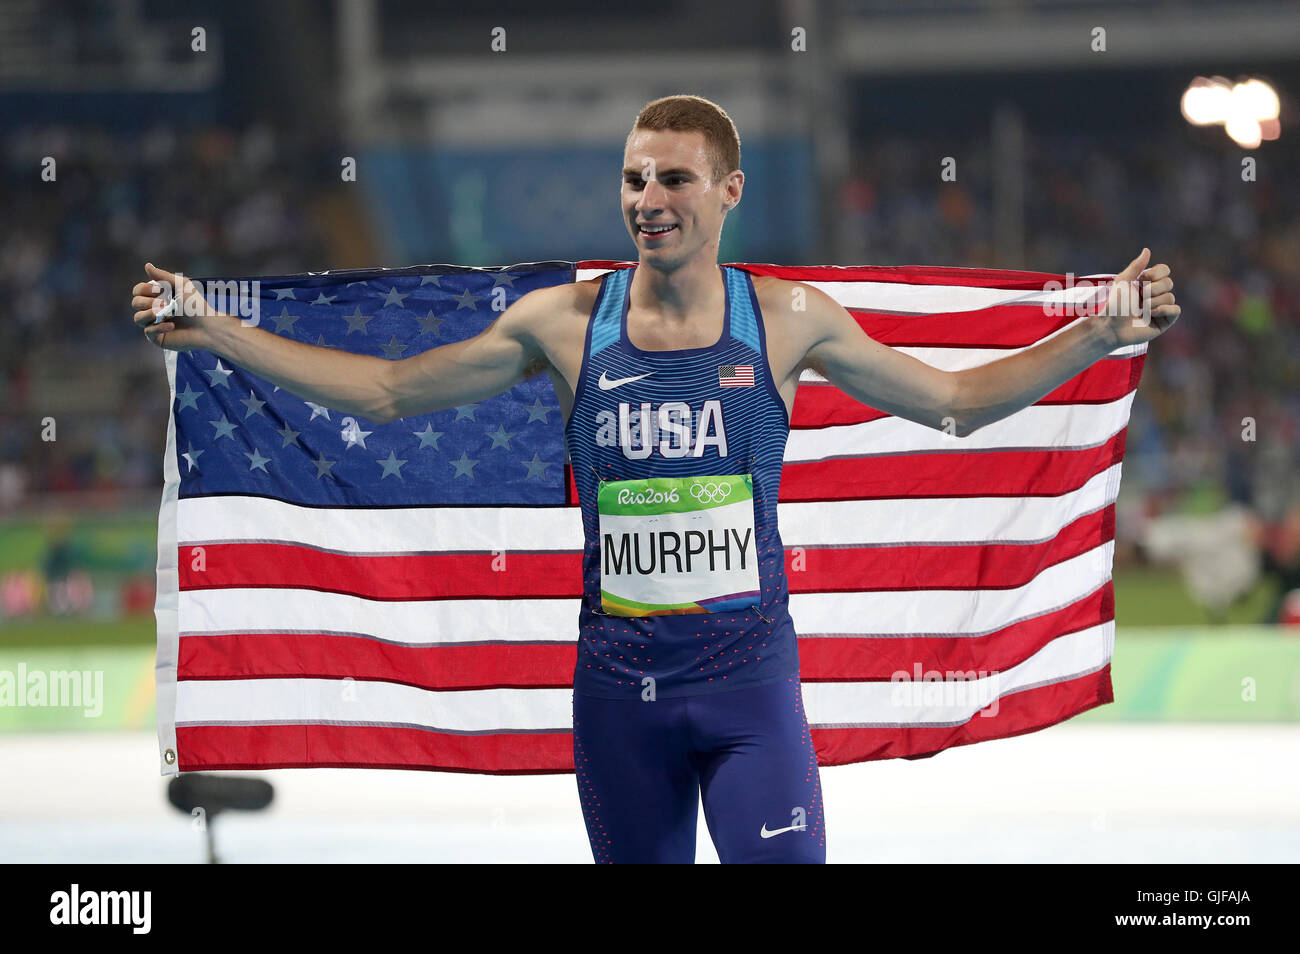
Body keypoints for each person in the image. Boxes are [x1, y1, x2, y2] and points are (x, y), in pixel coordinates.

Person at [131, 94, 1181, 863]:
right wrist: (216, 329)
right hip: (619, 702)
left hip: (749, 696)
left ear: (728, 189)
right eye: (634, 178)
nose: (648, 199)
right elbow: (391, 393)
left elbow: (951, 405)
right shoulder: (565, 322)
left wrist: (1098, 331)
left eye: (673, 178)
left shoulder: (783, 318)